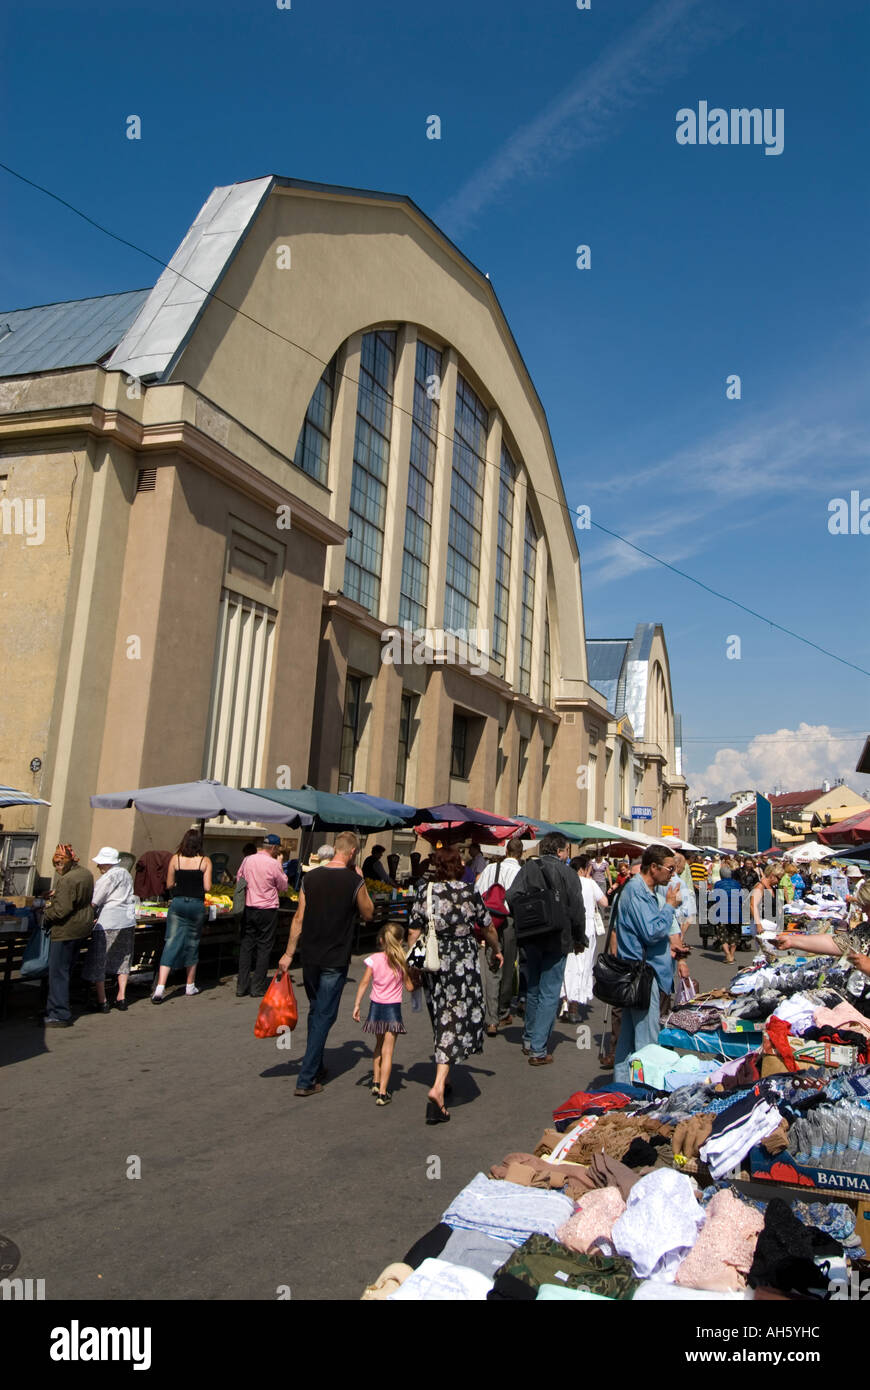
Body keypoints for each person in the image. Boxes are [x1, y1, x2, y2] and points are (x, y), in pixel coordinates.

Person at [407, 846, 501, 1123]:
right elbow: (488, 926)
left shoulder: (426, 891)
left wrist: (414, 964)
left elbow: (413, 930)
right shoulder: (468, 892)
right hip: (462, 962)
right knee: (453, 1019)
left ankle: (442, 1076)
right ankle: (437, 1086)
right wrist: (495, 949)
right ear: (457, 866)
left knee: (441, 1015)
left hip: (434, 962)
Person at [278, 831, 374, 1097]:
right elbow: (369, 913)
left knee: (316, 1009)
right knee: (324, 1014)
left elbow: (298, 918)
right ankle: (306, 1078)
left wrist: (288, 954)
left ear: (334, 849)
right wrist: (362, 883)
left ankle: (316, 1065)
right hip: (335, 956)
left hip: (310, 954)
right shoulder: (354, 880)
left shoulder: (311, 877)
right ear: (353, 853)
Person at [505, 832, 586, 1067]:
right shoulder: (568, 873)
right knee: (550, 991)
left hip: (532, 935)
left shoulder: (529, 868)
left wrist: (525, 916)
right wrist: (579, 938)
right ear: (561, 851)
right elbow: (577, 909)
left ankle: (530, 1038)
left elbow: (511, 895)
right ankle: (538, 1049)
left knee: (533, 987)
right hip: (558, 937)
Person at [612, 844, 680, 1084]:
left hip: (641, 971)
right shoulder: (638, 891)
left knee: (629, 1036)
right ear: (654, 867)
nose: (672, 874)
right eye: (670, 869)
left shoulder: (643, 891)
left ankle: (623, 1085)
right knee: (646, 1039)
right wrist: (670, 907)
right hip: (643, 973)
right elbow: (651, 932)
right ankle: (645, 1089)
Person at [352, 922, 414, 1105]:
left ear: (381, 940)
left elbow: (364, 983)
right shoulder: (402, 961)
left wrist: (357, 1005)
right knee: (388, 1051)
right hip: (392, 1009)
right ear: (400, 941)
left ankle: (376, 1082)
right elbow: (409, 987)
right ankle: (383, 1093)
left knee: (378, 1045)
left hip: (375, 1007)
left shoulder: (374, 959)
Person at [152, 830, 212, 1003]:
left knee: (171, 941)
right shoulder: (204, 861)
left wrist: (180, 883)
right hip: (196, 904)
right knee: (192, 942)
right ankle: (189, 985)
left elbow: (169, 884)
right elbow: (207, 887)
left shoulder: (175, 859)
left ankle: (160, 988)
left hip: (177, 903)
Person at [41, 844, 95, 1027]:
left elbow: (61, 910)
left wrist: (45, 913)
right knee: (66, 970)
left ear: (69, 860)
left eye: (59, 863)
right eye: (55, 864)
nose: (57, 867)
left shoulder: (67, 880)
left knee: (58, 972)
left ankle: (59, 1013)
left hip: (66, 930)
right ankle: (57, 1007)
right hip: (81, 927)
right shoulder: (86, 874)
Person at [475, 838, 523, 1034]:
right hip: (510, 922)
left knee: (492, 966)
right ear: (520, 854)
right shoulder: (521, 872)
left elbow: (476, 892)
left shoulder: (490, 868)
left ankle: (491, 1019)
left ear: (506, 850)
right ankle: (503, 1011)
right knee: (509, 966)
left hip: (490, 921)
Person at [82, 847, 137, 1012]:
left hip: (109, 921)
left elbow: (95, 900)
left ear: (106, 863)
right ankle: (121, 996)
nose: (98, 866)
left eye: (100, 863)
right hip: (127, 920)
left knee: (100, 959)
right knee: (123, 957)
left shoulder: (107, 877)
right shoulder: (126, 874)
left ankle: (102, 1000)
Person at [236, 834, 288, 998]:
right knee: (264, 947)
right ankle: (257, 987)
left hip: (249, 906)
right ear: (273, 848)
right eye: (277, 848)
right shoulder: (274, 864)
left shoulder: (248, 860)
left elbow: (239, 878)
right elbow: (283, 886)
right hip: (267, 909)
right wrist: (280, 865)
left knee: (246, 946)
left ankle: (242, 986)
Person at [560, 854, 607, 1023]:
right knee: (584, 964)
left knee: (568, 964)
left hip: (568, 925)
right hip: (586, 927)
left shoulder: (565, 882)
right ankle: (574, 1006)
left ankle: (565, 1001)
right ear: (583, 869)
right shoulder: (590, 883)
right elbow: (604, 902)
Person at [709, 857, 744, 966]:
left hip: (721, 912)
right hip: (735, 912)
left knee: (722, 933)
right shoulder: (737, 884)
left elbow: (714, 898)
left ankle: (727, 954)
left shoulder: (718, 884)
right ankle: (732, 955)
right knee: (735, 933)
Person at [749, 861, 782, 937]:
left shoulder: (771, 887)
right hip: (763, 924)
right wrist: (758, 924)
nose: (779, 882)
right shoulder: (760, 887)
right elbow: (752, 905)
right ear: (772, 875)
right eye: (778, 879)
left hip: (771, 924)